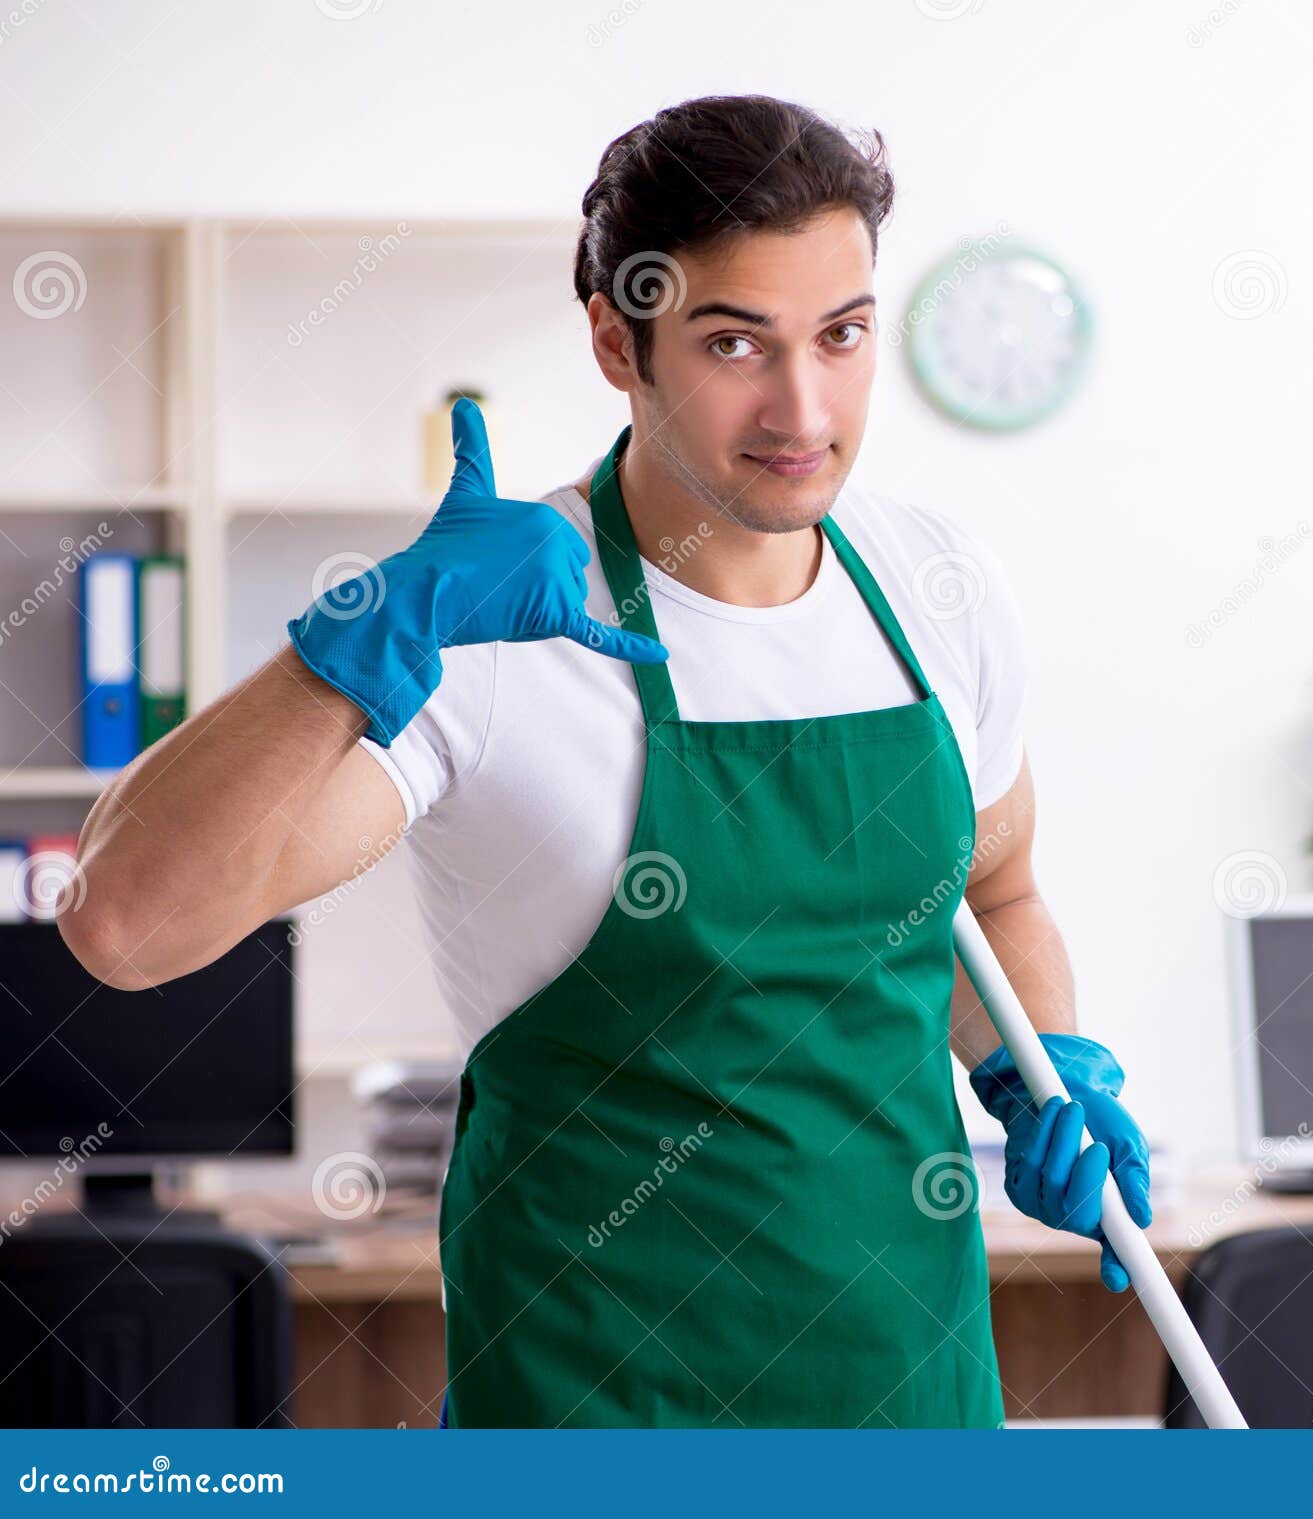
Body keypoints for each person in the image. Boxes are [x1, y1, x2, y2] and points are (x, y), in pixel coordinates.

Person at [61, 93, 1152, 1429]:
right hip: (595, 1412)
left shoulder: (936, 586)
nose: (802, 408)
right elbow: (125, 926)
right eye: (734, 342)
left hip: (909, 1396)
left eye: (843, 336)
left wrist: (1051, 1069)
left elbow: (995, 894)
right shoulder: (501, 625)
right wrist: (358, 636)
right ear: (614, 340)